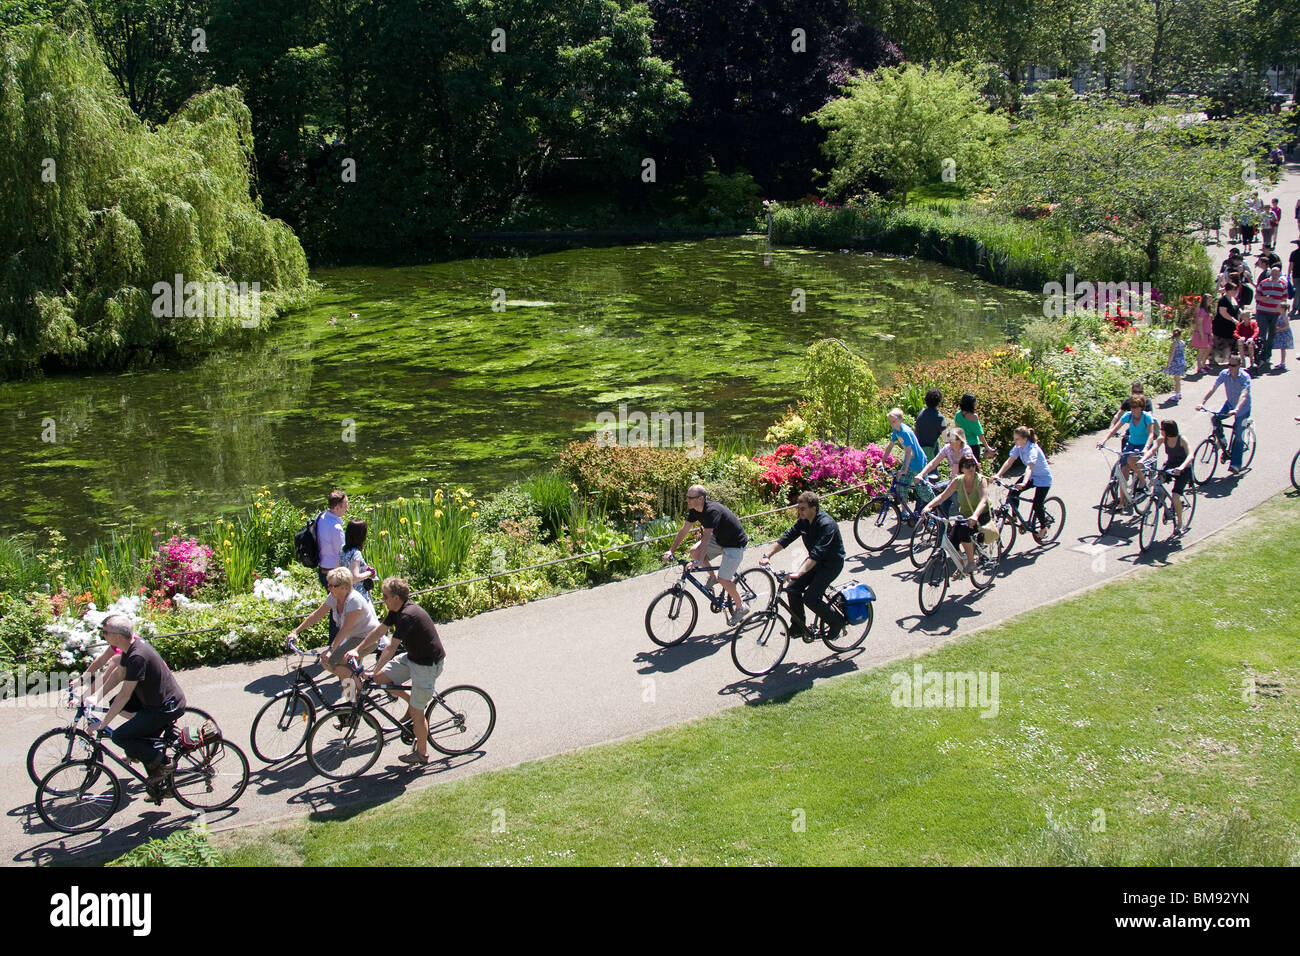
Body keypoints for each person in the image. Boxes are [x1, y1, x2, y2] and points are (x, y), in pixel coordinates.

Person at [87, 613, 188, 799]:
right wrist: (94, 697)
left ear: (117, 636)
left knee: (120, 737)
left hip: (164, 707)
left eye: (105, 632)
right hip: (155, 701)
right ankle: (164, 788)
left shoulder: (137, 656)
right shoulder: (129, 648)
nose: (103, 636)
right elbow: (118, 676)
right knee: (138, 742)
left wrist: (102, 725)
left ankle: (165, 764)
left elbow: (125, 695)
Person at [348, 577, 446, 766]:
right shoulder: (396, 610)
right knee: (381, 679)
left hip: (427, 665)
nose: (382, 599)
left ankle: (422, 754)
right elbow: (378, 632)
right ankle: (411, 701)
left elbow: (390, 648)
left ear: (395, 597)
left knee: (418, 714)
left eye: (385, 596)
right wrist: (357, 650)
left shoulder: (407, 615)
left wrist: (372, 671)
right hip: (413, 658)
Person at [759, 491, 846, 641]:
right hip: (814, 563)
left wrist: (799, 573)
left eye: (803, 508)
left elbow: (818, 553)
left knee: (811, 598)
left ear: (814, 508)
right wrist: (768, 555)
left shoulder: (827, 525)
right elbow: (787, 537)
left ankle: (836, 622)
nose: (800, 511)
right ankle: (798, 627)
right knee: (792, 588)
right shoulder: (804, 521)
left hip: (831, 565)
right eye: (798, 508)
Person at [662, 485, 752, 626]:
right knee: (694, 551)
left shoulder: (712, 511)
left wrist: (698, 562)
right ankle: (712, 577)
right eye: (686, 497)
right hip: (720, 538)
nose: (687, 500)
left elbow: (706, 537)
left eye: (690, 498)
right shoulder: (694, 510)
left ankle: (741, 607)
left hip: (734, 543)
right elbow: (684, 529)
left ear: (700, 498)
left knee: (724, 579)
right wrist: (671, 550)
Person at [287, 566, 380, 684]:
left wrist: (331, 650)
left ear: (343, 587)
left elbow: (346, 628)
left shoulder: (354, 600)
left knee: (331, 661)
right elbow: (316, 615)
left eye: (332, 585)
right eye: (328, 584)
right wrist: (296, 631)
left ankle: (360, 688)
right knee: (344, 673)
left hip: (367, 638)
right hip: (352, 637)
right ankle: (354, 699)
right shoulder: (334, 597)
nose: (328, 587)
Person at [920, 454, 994, 576]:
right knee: (952, 540)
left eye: (973, 465)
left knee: (964, 532)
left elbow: (983, 501)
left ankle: (971, 562)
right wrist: (928, 506)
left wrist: (975, 516)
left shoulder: (981, 480)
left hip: (981, 514)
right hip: (965, 514)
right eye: (967, 465)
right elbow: (943, 496)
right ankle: (962, 563)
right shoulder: (958, 481)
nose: (970, 468)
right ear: (961, 469)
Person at [1196, 354, 1253, 474]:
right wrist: (1202, 403)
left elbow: (1244, 394)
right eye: (1229, 364)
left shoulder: (1245, 377)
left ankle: (1236, 464)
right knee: (1215, 418)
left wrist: (1236, 409)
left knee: (1238, 436)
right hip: (1230, 404)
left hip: (1242, 409)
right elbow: (1213, 388)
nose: (1230, 367)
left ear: (1239, 365)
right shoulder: (1224, 374)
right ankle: (1223, 443)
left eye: (1233, 365)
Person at [1098, 396, 1157, 508]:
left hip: (1144, 446)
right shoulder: (1128, 416)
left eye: (1135, 407)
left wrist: (1146, 448)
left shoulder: (1147, 418)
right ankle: (1122, 501)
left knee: (1131, 460)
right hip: (1132, 444)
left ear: (1141, 408)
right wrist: (1103, 441)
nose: (1132, 409)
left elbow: (1151, 435)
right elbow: (1114, 429)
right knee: (1123, 471)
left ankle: (1142, 480)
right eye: (1131, 407)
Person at [994, 426, 1054, 533]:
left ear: (1025, 439)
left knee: (1037, 504)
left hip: (1043, 478)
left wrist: (1024, 482)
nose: (1014, 441)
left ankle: (1043, 527)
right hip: (1031, 476)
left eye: (1017, 439)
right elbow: (1009, 462)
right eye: (1014, 438)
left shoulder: (1032, 449)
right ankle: (1014, 518)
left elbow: (1029, 468)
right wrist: (998, 475)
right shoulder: (1018, 447)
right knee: (1013, 493)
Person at [1141, 420, 1192, 538]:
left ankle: (1179, 524)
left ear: (1168, 431)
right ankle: (1162, 494)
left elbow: (1190, 455)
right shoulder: (1162, 439)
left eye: (1162, 429)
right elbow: (1152, 450)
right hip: (1170, 465)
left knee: (1175, 496)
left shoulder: (1182, 439)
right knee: (1155, 482)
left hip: (1183, 468)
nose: (1160, 431)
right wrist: (1142, 460)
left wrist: (1182, 467)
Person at [882, 408, 936, 512]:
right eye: (890, 422)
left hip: (918, 463)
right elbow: (890, 446)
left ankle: (935, 509)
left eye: (893, 421)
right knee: (901, 486)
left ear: (900, 420)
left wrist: (905, 470)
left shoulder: (905, 432)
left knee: (924, 491)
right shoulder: (896, 431)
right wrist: (883, 460)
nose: (891, 424)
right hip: (909, 462)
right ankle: (904, 512)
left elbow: (908, 452)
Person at [316, 489, 349, 640]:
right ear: (336, 507)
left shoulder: (321, 517)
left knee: (334, 607)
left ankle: (335, 643)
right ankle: (335, 644)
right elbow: (343, 554)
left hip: (322, 569)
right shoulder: (336, 528)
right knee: (338, 609)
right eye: (345, 505)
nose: (347, 508)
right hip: (333, 574)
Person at [1253, 264, 1290, 372]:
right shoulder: (1264, 283)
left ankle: (1267, 356)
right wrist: (1264, 298)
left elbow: (1284, 299)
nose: (1274, 275)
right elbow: (1256, 297)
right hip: (1263, 312)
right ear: (1271, 273)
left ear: (1279, 274)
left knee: (1272, 336)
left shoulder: (1283, 285)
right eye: (1273, 273)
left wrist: (1283, 312)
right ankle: (1261, 356)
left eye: (1276, 273)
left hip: (1275, 314)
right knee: (1262, 335)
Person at [340, 519, 377, 594]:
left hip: (344, 592)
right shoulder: (356, 553)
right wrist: (369, 573)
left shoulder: (342, 549)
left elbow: (338, 570)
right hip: (358, 594)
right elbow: (354, 578)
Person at [914, 388, 947, 462]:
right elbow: (946, 439)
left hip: (919, 448)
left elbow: (915, 431)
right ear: (938, 402)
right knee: (932, 471)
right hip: (931, 451)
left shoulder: (921, 413)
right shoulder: (940, 418)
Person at [1212, 284, 1241, 365]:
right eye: (1234, 290)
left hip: (1231, 326)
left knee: (1229, 342)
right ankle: (1215, 360)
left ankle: (1227, 359)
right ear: (1229, 290)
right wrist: (1233, 320)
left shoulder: (1233, 299)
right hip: (1222, 325)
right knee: (1219, 342)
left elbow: (1237, 309)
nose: (1235, 292)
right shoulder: (1223, 300)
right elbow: (1222, 312)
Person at [955, 393, 985, 462]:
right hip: (973, 445)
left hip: (962, 445)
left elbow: (957, 430)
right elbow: (980, 433)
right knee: (975, 466)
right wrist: (987, 447)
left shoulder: (958, 415)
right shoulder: (974, 416)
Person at [1190, 293, 1214, 374]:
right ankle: (1199, 367)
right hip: (1202, 333)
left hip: (1208, 333)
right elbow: (1199, 323)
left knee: (1209, 348)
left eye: (1211, 300)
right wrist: (1201, 334)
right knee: (1201, 350)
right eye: (1209, 300)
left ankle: (1203, 364)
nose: (1210, 301)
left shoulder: (1208, 309)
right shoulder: (1202, 310)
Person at [1164, 327, 1186, 401]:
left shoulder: (1175, 343)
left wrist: (1168, 364)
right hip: (1182, 361)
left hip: (1176, 362)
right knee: (1178, 378)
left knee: (1176, 379)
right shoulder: (1183, 342)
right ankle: (1178, 393)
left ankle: (1177, 395)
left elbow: (1172, 354)